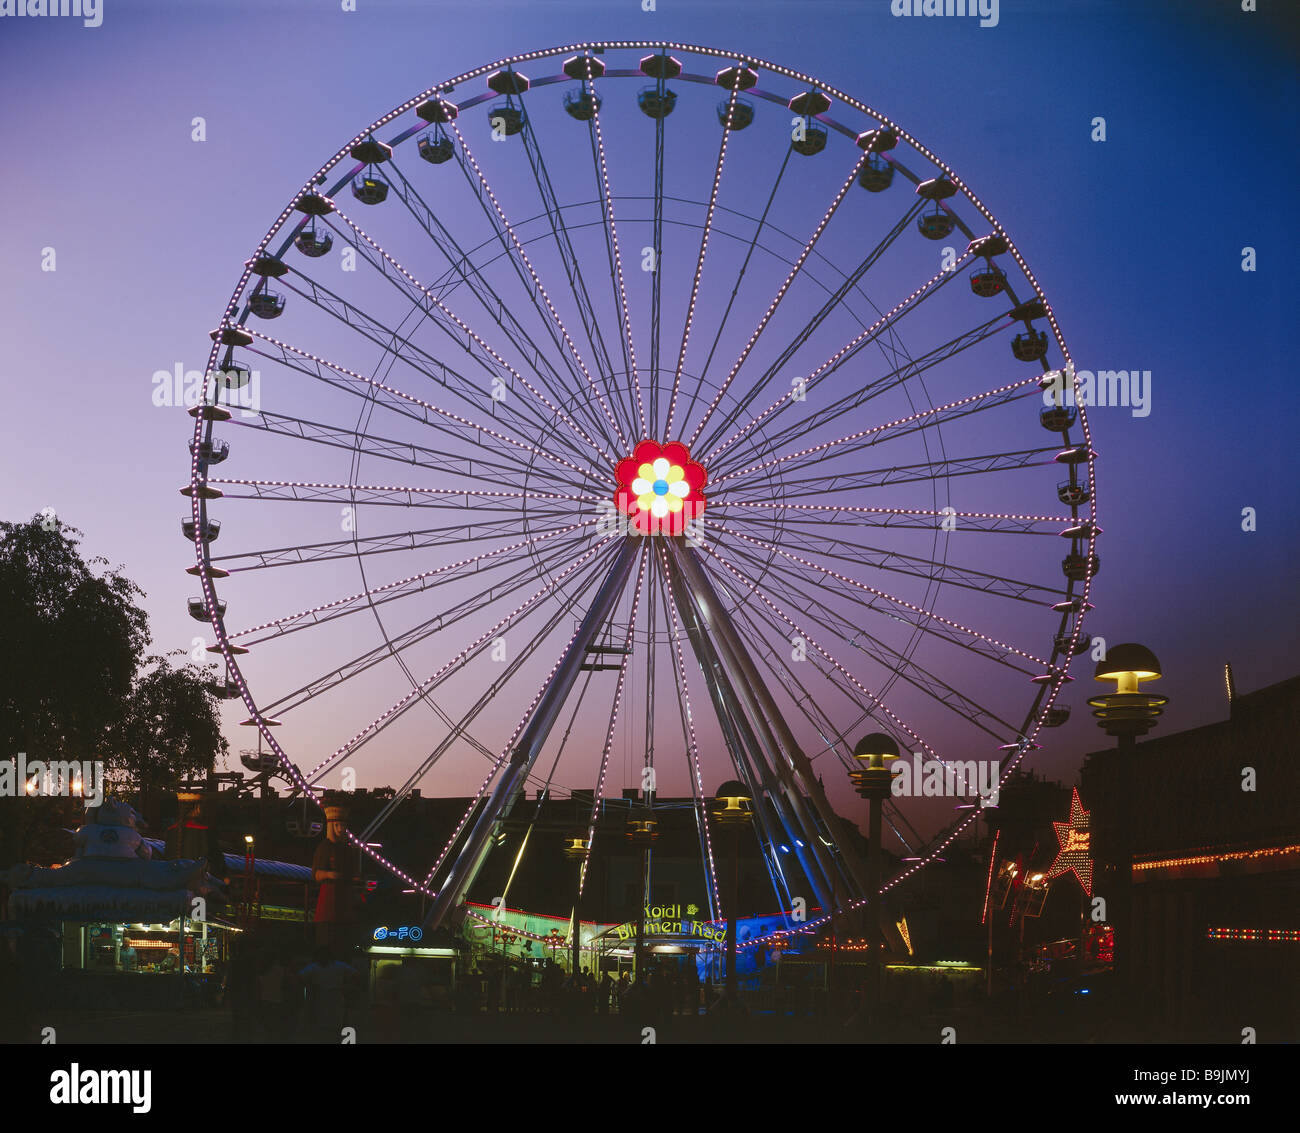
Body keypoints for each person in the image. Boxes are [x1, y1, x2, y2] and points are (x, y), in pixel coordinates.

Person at [298, 945, 356, 1044]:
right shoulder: (314, 967)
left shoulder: (338, 965)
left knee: (335, 1026)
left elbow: (355, 975)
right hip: (322, 998)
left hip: (334, 998)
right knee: (324, 1026)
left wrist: (346, 986)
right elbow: (300, 977)